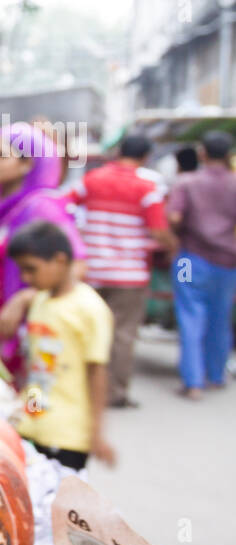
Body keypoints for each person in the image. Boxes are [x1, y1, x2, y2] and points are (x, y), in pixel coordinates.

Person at [64, 133, 175, 408]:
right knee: (123, 335)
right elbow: (158, 230)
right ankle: (115, 393)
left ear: (119, 151)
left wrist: (80, 237)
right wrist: (175, 246)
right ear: (146, 157)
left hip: (91, 270)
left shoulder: (92, 180)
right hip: (130, 274)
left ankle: (80, 390)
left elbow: (64, 206)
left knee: (85, 330)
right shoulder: (147, 188)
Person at [0, 121, 85, 377]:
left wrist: (24, 299)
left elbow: (75, 266)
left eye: (2, 155)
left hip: (22, 328)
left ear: (27, 164)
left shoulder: (43, 207)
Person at [7, 220, 115, 470]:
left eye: (31, 269)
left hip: (67, 436)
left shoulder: (89, 309)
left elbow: (97, 371)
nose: (25, 278)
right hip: (31, 424)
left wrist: (97, 432)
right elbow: (36, 364)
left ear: (60, 260)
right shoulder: (40, 301)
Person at [167, 130, 236, 399]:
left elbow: (173, 217)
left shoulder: (186, 182)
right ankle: (216, 376)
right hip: (227, 262)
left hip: (188, 259)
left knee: (189, 316)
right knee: (220, 318)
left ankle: (193, 382)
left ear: (202, 154)